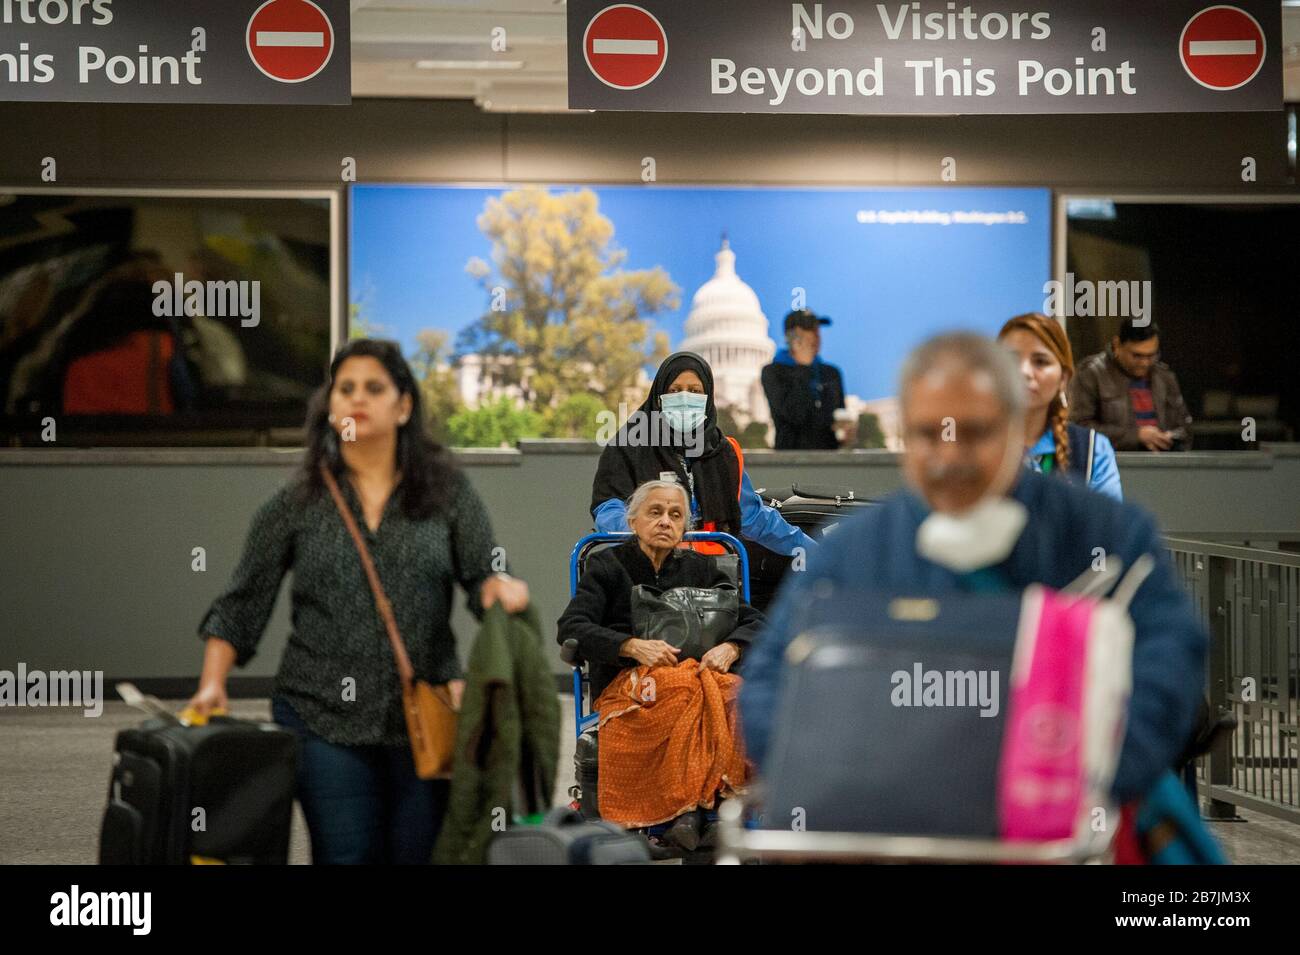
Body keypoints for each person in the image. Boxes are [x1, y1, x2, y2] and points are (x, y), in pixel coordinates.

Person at [740, 332, 1207, 807]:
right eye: (928, 433)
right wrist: (845, 780)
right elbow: (769, 685)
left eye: (975, 431)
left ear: (1016, 429)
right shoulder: (852, 553)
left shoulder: (1109, 536)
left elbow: (1170, 669)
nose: (949, 455)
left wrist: (1073, 783)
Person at [187, 338, 530, 865]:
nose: (356, 399)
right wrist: (212, 682)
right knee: (348, 856)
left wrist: (499, 588)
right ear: (329, 406)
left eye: (374, 387)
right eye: (344, 388)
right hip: (320, 714)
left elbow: (482, 572)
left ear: (404, 404)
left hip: (425, 715)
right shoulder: (295, 502)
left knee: (417, 854)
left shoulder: (447, 494)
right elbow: (241, 602)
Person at [558, 479, 765, 850]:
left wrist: (732, 647)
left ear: (685, 527)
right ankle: (686, 810)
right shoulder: (607, 567)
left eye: (675, 515)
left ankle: (720, 809)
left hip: (700, 680)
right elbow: (572, 628)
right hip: (630, 681)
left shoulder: (702, 569)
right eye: (655, 512)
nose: (665, 522)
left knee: (733, 691)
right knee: (677, 688)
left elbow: (755, 622)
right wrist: (630, 645)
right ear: (633, 521)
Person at [591, 351, 816, 557]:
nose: (685, 398)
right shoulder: (629, 446)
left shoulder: (722, 453)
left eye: (695, 391)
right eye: (675, 391)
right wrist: (647, 532)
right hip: (645, 570)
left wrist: (815, 552)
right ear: (659, 399)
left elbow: (754, 518)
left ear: (707, 399)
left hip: (712, 579)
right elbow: (608, 512)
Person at [998, 313, 1121, 501]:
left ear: (1063, 378)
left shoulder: (1092, 449)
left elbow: (1108, 528)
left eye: (1040, 361)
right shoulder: (969, 446)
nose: (1024, 372)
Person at [1069, 319, 1193, 452]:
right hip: (1112, 463)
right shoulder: (1091, 373)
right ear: (1117, 345)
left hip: (1161, 463)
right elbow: (1079, 428)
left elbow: (1184, 427)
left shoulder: (1164, 376)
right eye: (1137, 355)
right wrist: (1136, 436)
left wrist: (1170, 437)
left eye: (1151, 355)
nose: (1145, 363)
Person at [760, 309, 846, 450]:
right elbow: (795, 415)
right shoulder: (773, 373)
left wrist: (846, 432)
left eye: (817, 330)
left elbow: (838, 416)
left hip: (829, 460)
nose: (816, 336)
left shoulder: (831, 373)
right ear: (791, 337)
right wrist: (803, 366)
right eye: (809, 331)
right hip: (791, 461)